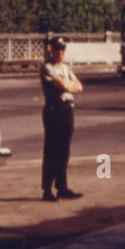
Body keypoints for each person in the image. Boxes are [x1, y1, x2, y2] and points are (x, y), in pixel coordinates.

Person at [39, 36, 83, 201]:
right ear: (51, 50)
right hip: (54, 110)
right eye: (57, 49)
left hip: (67, 110)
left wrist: (69, 85)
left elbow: (79, 86)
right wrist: (69, 85)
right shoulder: (47, 68)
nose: (60, 52)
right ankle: (47, 189)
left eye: (62, 49)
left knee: (64, 150)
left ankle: (62, 187)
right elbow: (64, 86)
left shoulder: (65, 68)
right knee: (52, 150)